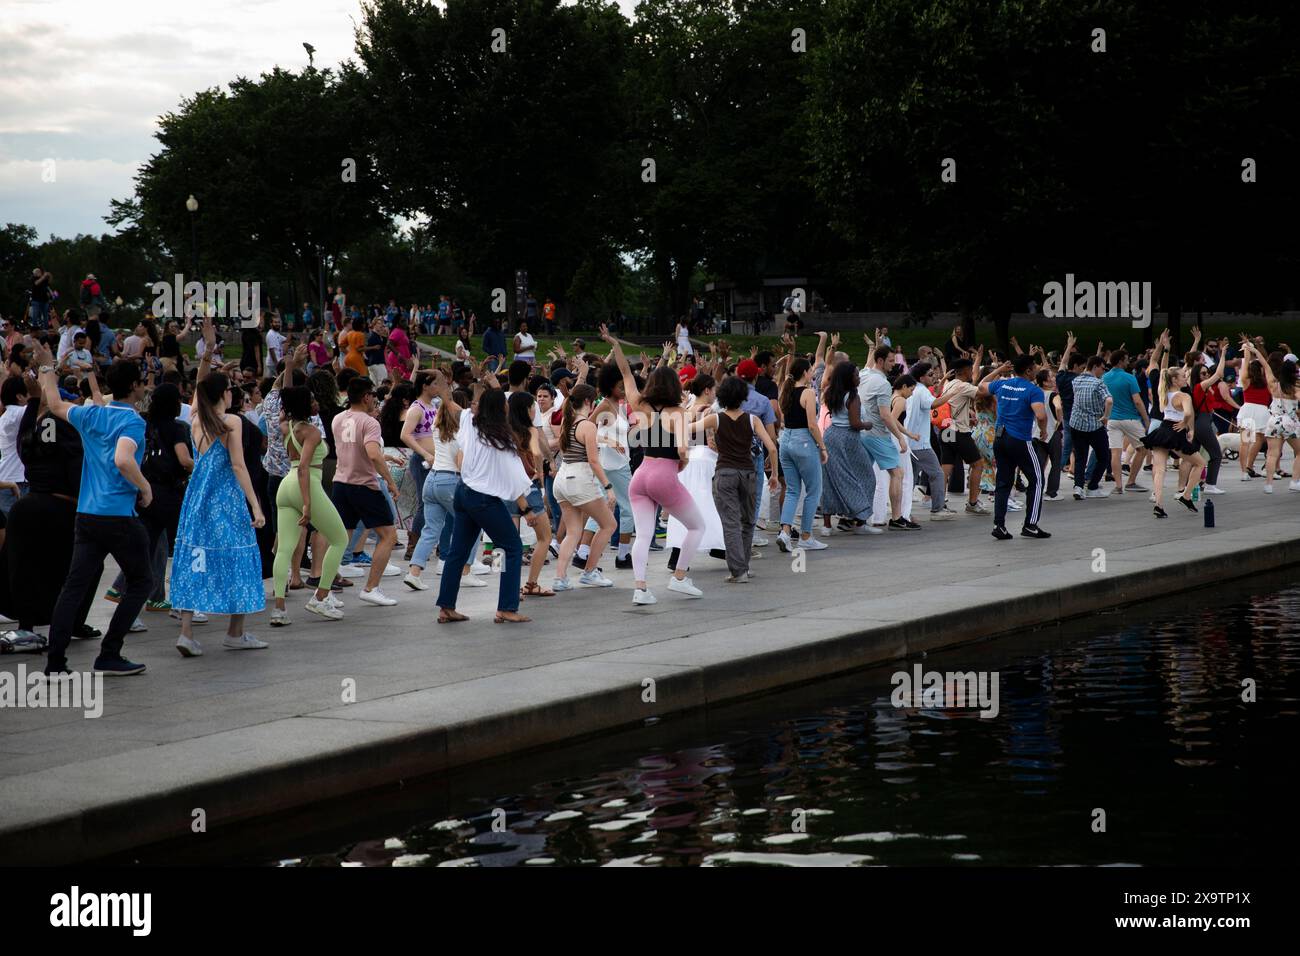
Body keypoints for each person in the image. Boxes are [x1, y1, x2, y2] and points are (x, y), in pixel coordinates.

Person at [34, 344, 153, 677]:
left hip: (87, 514)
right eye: (142, 382)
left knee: (74, 586)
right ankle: (110, 652)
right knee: (142, 580)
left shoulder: (90, 414)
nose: (144, 386)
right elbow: (123, 459)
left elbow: (55, 403)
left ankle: (55, 662)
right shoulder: (132, 422)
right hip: (118, 515)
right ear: (134, 387)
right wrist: (145, 487)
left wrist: (47, 368)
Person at [168, 328, 268, 654]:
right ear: (223, 393)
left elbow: (199, 385)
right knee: (239, 557)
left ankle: (186, 632)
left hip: (196, 500)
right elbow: (238, 467)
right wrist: (256, 505)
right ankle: (235, 632)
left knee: (194, 558)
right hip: (225, 500)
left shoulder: (196, 418)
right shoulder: (232, 422)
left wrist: (209, 350)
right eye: (228, 389)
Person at [600, 325, 704, 604]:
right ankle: (679, 577)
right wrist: (683, 463)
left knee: (643, 534)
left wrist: (615, 345)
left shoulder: (639, 405)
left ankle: (640, 589)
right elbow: (682, 449)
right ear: (675, 387)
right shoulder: (678, 413)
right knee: (697, 527)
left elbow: (624, 373)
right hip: (664, 474)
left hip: (640, 474)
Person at [434, 377, 540, 625]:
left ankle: (446, 607)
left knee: (457, 552)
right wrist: (527, 510)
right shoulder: (502, 440)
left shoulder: (470, 423)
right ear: (500, 410)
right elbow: (515, 479)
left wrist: (445, 391)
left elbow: (454, 406)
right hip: (483, 499)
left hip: (463, 493)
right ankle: (506, 607)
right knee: (513, 547)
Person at [270, 386, 348, 624]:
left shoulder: (286, 427)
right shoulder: (312, 431)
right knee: (340, 539)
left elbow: (285, 408)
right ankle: (321, 596)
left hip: (285, 486)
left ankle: (279, 609)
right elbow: (304, 467)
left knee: (284, 548)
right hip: (306, 484)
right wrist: (307, 504)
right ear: (305, 404)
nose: (316, 402)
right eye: (312, 399)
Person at [694, 375, 778, 582]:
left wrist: (697, 414)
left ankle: (738, 571)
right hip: (748, 473)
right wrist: (774, 474)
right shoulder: (752, 419)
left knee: (730, 523)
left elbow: (689, 430)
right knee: (748, 522)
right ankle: (744, 566)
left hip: (724, 473)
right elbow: (772, 448)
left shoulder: (716, 418)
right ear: (743, 397)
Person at [331, 377, 401, 607]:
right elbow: (372, 453)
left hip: (341, 482)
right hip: (364, 484)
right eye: (373, 395)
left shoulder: (338, 419)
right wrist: (390, 481)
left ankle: (323, 590)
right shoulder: (370, 422)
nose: (375, 399)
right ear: (366, 397)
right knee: (388, 535)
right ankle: (371, 588)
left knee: (342, 538)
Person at [550, 382, 618, 591]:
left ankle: (560, 578)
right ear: (588, 402)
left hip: (562, 479)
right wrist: (608, 487)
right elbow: (593, 461)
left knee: (572, 532)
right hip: (579, 479)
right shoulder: (587, 425)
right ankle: (589, 572)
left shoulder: (568, 423)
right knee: (609, 525)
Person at [978, 353, 1050, 540]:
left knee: (1003, 482)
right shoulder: (1033, 390)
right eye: (1034, 367)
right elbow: (1041, 415)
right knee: (1037, 479)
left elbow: (981, 385)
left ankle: (999, 525)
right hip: (1020, 439)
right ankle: (1030, 525)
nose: (1036, 370)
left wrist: (999, 370)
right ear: (1028, 371)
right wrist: (1043, 431)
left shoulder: (1002, 384)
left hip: (1000, 438)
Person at [507, 390, 558, 597]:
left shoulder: (504, 430)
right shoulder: (529, 430)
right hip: (528, 487)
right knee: (544, 537)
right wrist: (539, 470)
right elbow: (537, 452)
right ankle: (531, 584)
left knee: (509, 542)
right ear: (527, 409)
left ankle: (510, 588)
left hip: (507, 489)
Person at [775, 358, 829, 550]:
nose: (813, 372)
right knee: (814, 490)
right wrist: (822, 447)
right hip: (804, 441)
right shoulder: (807, 392)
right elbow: (812, 424)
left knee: (792, 489)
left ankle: (785, 532)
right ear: (805, 372)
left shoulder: (785, 391)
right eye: (811, 369)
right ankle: (806, 536)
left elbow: (783, 418)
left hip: (786, 440)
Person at [818, 360, 878, 532]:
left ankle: (827, 526)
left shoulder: (830, 393)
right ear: (848, 378)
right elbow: (855, 423)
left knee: (830, 479)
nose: (859, 378)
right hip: (848, 439)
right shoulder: (853, 397)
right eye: (856, 375)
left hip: (831, 436)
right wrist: (868, 424)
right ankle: (860, 520)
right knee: (866, 476)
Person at [1141, 363, 1201, 517]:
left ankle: (1159, 505)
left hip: (1162, 429)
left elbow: (1164, 411)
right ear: (1174, 380)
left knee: (1159, 470)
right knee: (1200, 463)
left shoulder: (1163, 393)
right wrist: (1185, 423)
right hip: (1174, 431)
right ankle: (1186, 496)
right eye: (1182, 376)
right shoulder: (1183, 396)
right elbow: (1188, 412)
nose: (1185, 377)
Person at [1242, 339, 1300, 493]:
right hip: (1290, 422)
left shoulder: (1274, 384)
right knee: (1299, 452)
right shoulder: (1295, 388)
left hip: (1273, 420)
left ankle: (1268, 484)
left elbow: (1266, 366)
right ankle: (1295, 481)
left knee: (1272, 453)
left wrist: (1255, 352)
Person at [1102, 350, 1150, 496]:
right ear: (1121, 361)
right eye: (1127, 359)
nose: (1129, 361)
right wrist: (1146, 419)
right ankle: (1131, 481)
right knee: (1142, 449)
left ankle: (1118, 485)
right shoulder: (1130, 378)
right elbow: (1137, 400)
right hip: (1130, 418)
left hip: (1112, 419)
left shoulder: (1104, 377)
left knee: (1115, 453)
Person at [1067, 355, 1113, 499]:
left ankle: (1078, 487)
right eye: (1102, 368)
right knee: (1104, 457)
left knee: (1080, 457)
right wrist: (1106, 416)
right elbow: (1109, 401)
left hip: (1076, 423)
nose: (1103, 372)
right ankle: (1092, 486)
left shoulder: (1076, 380)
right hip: (1094, 424)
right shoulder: (1098, 383)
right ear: (1095, 366)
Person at [0, 376, 28, 514]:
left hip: (8, 477)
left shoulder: (6, 415)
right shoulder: (17, 413)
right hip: (15, 482)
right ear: (19, 396)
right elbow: (41, 401)